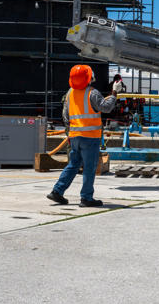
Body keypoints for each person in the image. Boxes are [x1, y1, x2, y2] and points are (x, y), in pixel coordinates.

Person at [47, 65, 117, 207]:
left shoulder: (69, 93)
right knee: (89, 168)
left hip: (75, 136)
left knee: (73, 164)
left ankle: (57, 191)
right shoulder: (92, 93)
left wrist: (70, 133)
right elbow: (106, 107)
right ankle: (86, 198)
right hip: (90, 137)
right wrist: (114, 94)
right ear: (89, 78)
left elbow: (65, 116)